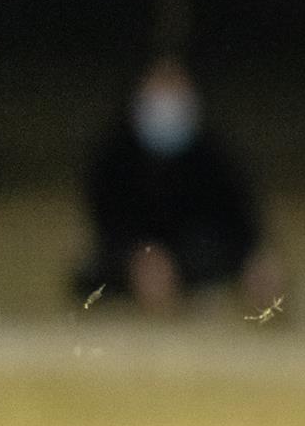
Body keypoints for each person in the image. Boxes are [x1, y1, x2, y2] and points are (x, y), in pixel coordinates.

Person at [74, 57, 285, 316]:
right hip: (129, 264)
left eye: (175, 91)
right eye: (159, 91)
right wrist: (135, 257)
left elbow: (241, 222)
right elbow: (106, 226)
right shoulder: (113, 157)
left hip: (198, 259)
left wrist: (255, 259)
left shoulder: (216, 156)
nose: (167, 104)